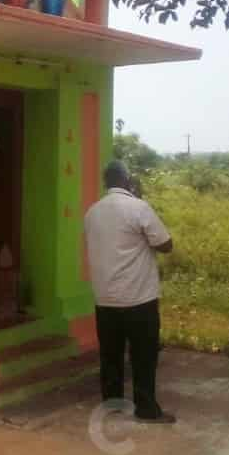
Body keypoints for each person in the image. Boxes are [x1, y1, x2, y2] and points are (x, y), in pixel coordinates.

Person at [83, 161, 176, 423]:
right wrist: (139, 198)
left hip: (105, 297)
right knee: (143, 356)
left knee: (110, 354)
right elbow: (166, 244)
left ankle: (111, 404)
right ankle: (146, 409)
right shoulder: (138, 207)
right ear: (127, 181)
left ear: (106, 182)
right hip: (138, 298)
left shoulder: (93, 211)